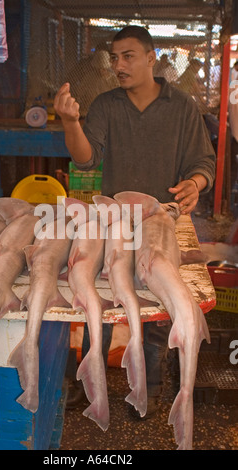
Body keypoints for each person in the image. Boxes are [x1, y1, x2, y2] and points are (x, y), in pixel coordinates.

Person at [54, 26, 215, 417]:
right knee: (100, 297)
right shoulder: (108, 105)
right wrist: (70, 122)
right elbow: (85, 159)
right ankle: (87, 382)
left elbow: (203, 164)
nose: (118, 65)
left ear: (150, 58)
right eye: (114, 58)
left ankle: (148, 388)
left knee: (156, 303)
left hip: (161, 217)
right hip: (115, 217)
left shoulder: (182, 107)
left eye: (127, 56)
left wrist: (195, 184)